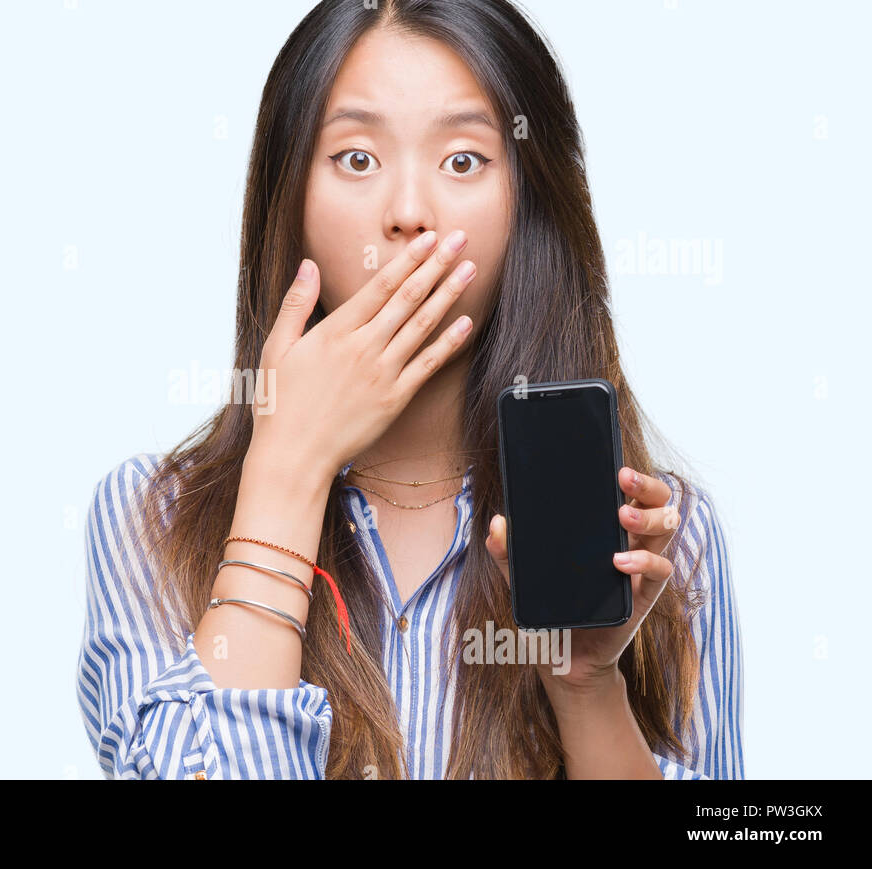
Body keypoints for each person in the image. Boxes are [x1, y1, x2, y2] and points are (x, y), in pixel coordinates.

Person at [77, 0, 743, 779]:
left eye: (463, 160)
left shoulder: (660, 539)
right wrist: (285, 472)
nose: (407, 214)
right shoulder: (150, 523)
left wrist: (588, 688)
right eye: (356, 158)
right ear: (286, 198)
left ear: (528, 201)